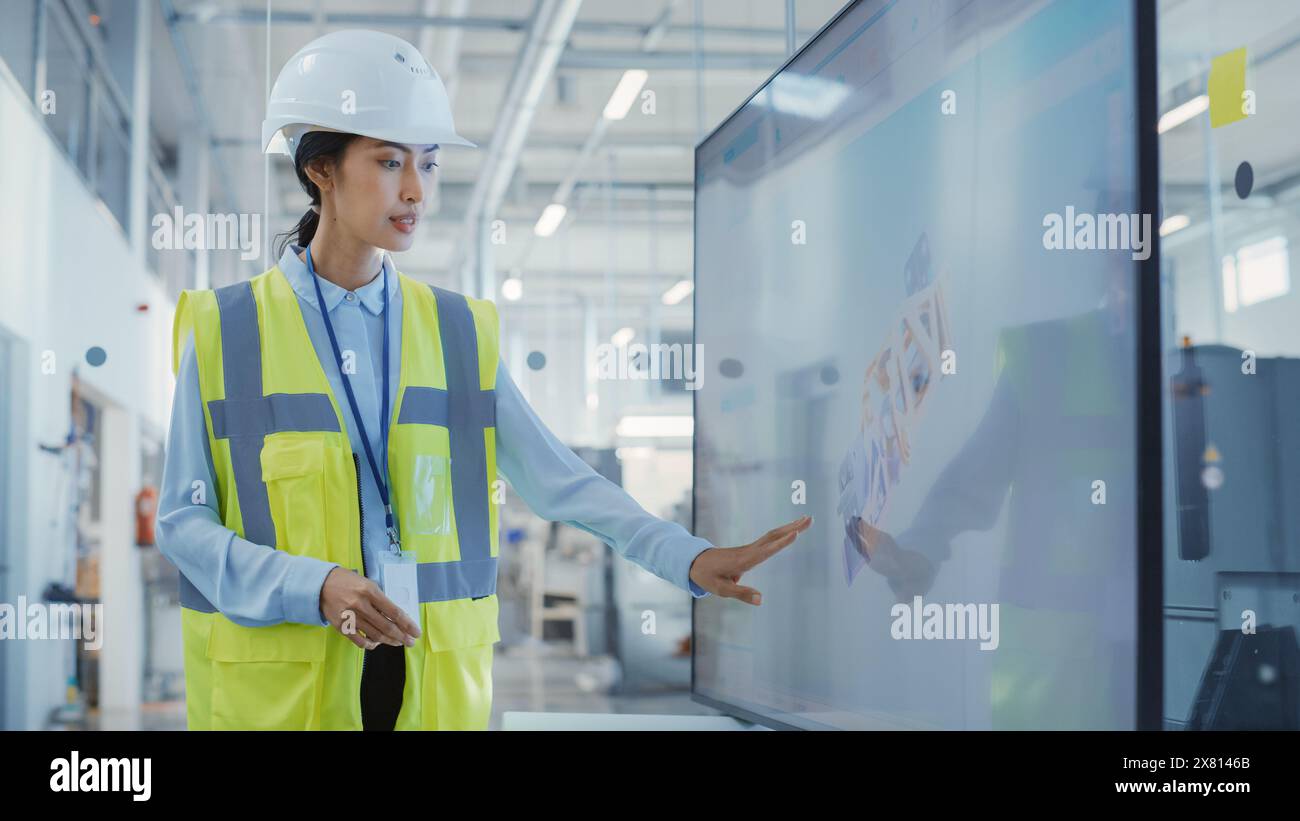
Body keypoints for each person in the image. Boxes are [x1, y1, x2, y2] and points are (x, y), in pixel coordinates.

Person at [155, 29, 812, 731]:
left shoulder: (457, 332)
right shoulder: (226, 329)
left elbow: (560, 479)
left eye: (430, 165)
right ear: (320, 169)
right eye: (388, 161)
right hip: (280, 701)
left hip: (430, 694)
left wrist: (688, 557)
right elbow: (184, 523)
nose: (416, 190)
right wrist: (310, 585)